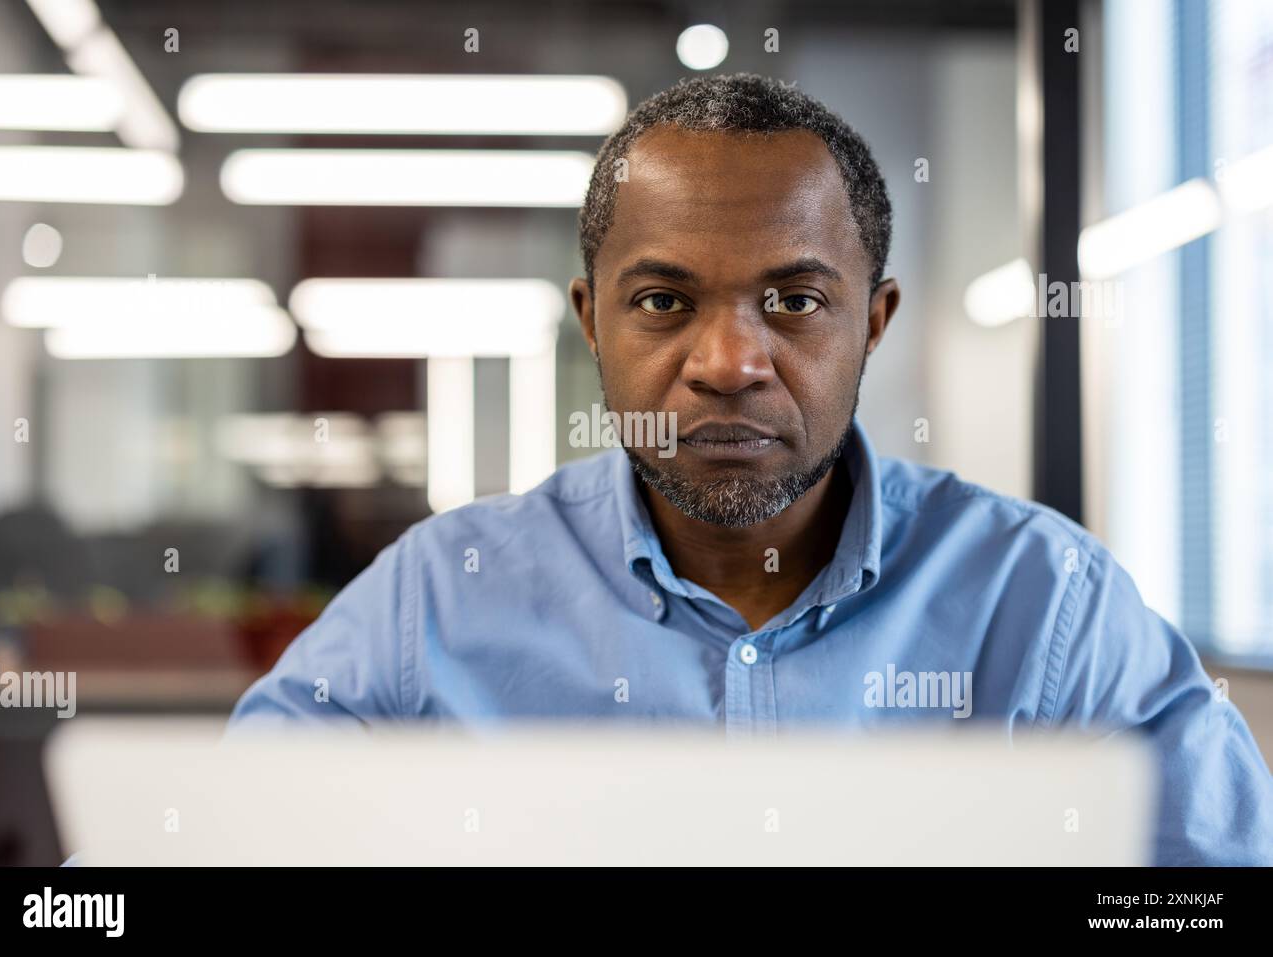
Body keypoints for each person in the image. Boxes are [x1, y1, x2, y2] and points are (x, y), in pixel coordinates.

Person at [230, 73, 1273, 866]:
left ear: (874, 321)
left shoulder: (1045, 604)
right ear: (591, 321)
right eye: (662, 302)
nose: (727, 364)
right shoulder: (438, 598)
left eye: (793, 301)